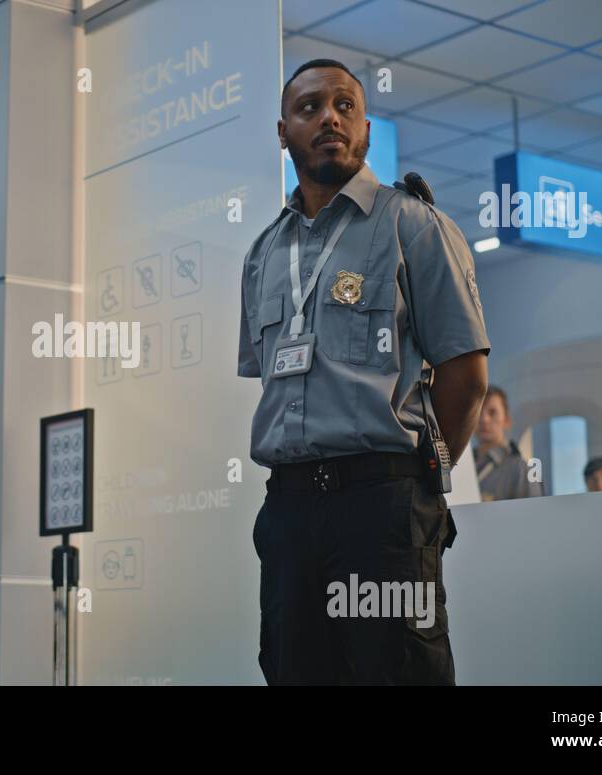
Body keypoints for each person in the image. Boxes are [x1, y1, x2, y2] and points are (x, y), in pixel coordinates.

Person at [238, 58, 489, 685]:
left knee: (398, 673)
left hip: (383, 508)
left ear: (367, 129)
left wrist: (420, 480)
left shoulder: (413, 225)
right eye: (310, 107)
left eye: (345, 105)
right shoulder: (264, 253)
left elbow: (466, 378)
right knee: (296, 671)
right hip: (290, 509)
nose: (329, 117)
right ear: (282, 132)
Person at [473, 385, 544, 501]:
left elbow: (534, 516)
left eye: (492, 413)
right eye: (478, 412)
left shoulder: (524, 471)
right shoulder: (458, 468)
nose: (484, 419)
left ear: (507, 421)